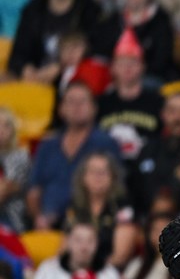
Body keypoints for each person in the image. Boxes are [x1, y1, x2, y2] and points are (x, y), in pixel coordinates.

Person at [27, 83, 123, 230]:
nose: (76, 107)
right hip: (48, 224)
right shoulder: (47, 145)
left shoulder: (106, 143)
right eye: (70, 101)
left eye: (82, 101)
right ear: (61, 109)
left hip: (90, 224)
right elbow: (34, 190)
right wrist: (38, 217)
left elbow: (115, 187)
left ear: (94, 108)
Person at [8, 0, 99, 83]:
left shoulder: (90, 9)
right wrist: (25, 68)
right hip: (35, 75)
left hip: (73, 74)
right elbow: (18, 52)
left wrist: (60, 67)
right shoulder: (32, 8)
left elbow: (92, 50)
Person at [91, 0, 177, 83]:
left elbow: (161, 59)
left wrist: (131, 73)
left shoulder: (161, 19)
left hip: (149, 77)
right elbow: (100, 53)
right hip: (113, 78)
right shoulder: (112, 20)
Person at [97, 31, 164, 166]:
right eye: (121, 63)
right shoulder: (99, 104)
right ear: (113, 68)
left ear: (143, 67)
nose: (127, 68)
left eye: (133, 63)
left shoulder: (158, 102)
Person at [29, 221, 122, 279]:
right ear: (68, 241)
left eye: (90, 241)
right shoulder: (47, 270)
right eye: (78, 240)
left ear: (97, 243)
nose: (84, 247)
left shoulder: (110, 275)